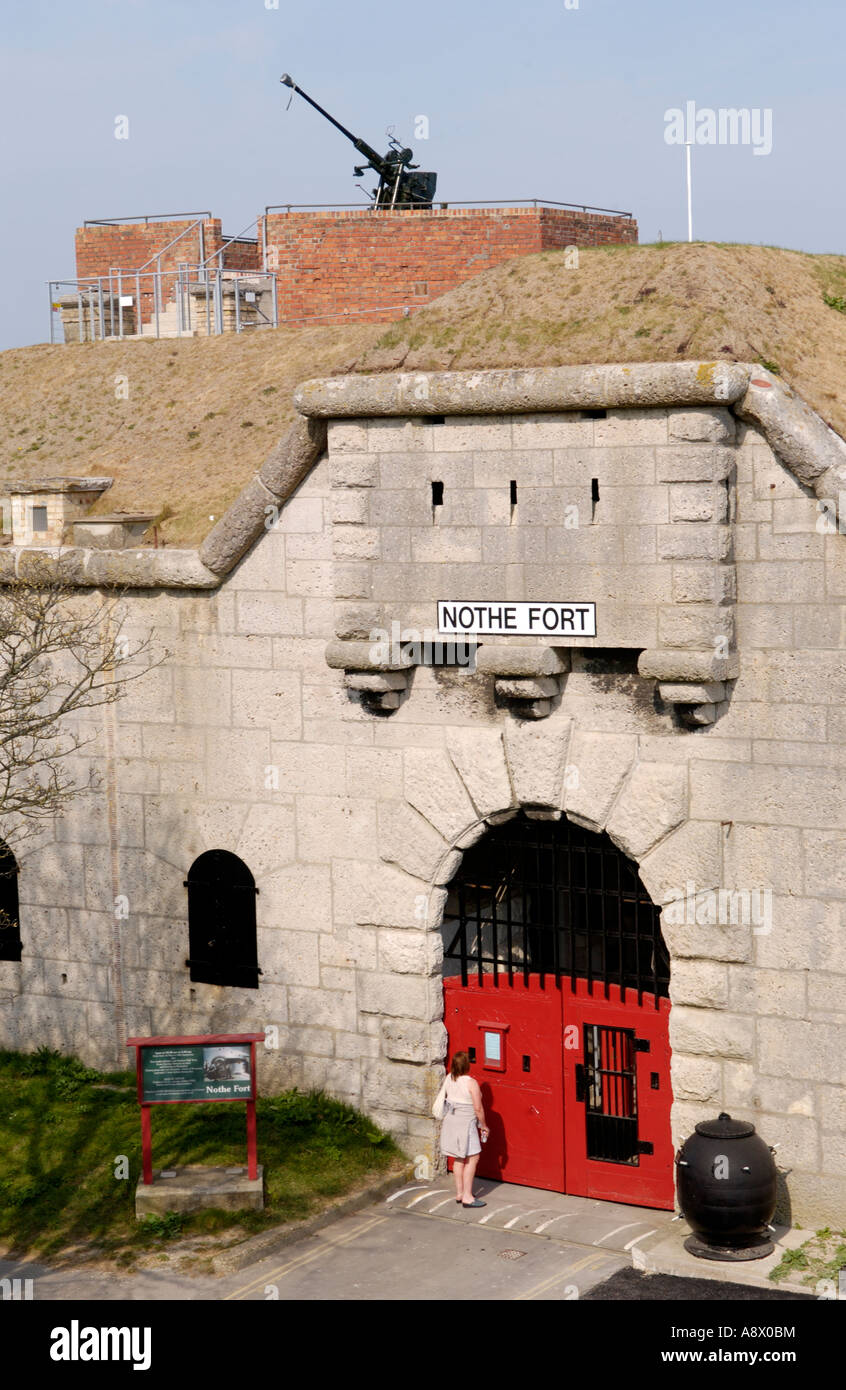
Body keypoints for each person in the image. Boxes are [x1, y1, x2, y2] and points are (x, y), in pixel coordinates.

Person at [439, 1050, 489, 1208]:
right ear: (467, 1065)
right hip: (466, 1124)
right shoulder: (470, 1083)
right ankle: (468, 1196)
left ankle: (460, 1193)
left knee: (458, 1158)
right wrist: (484, 1126)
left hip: (451, 1122)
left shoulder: (449, 1078)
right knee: (473, 1158)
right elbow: (478, 1108)